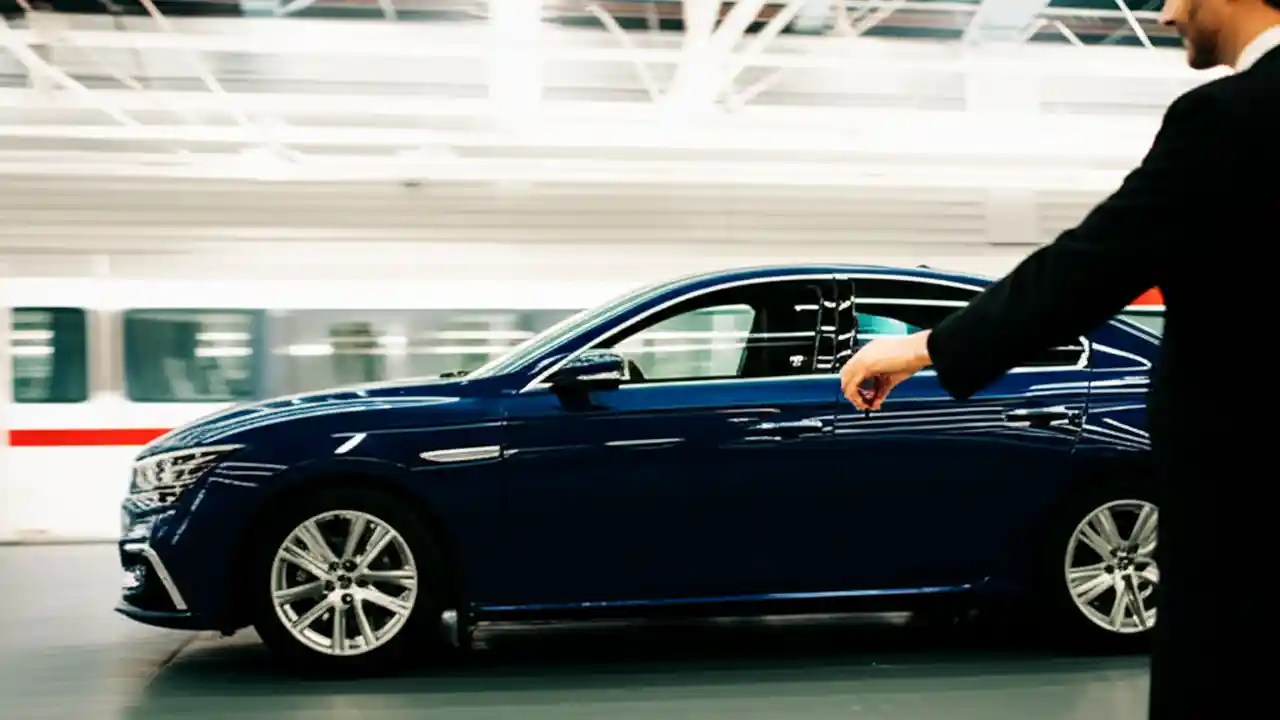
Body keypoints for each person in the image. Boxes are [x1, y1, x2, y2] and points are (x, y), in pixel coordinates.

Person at [838, 0, 1279, 717]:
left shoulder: (1233, 117)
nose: (1166, 13)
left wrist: (924, 346)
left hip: (1247, 504)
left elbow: (1091, 266)